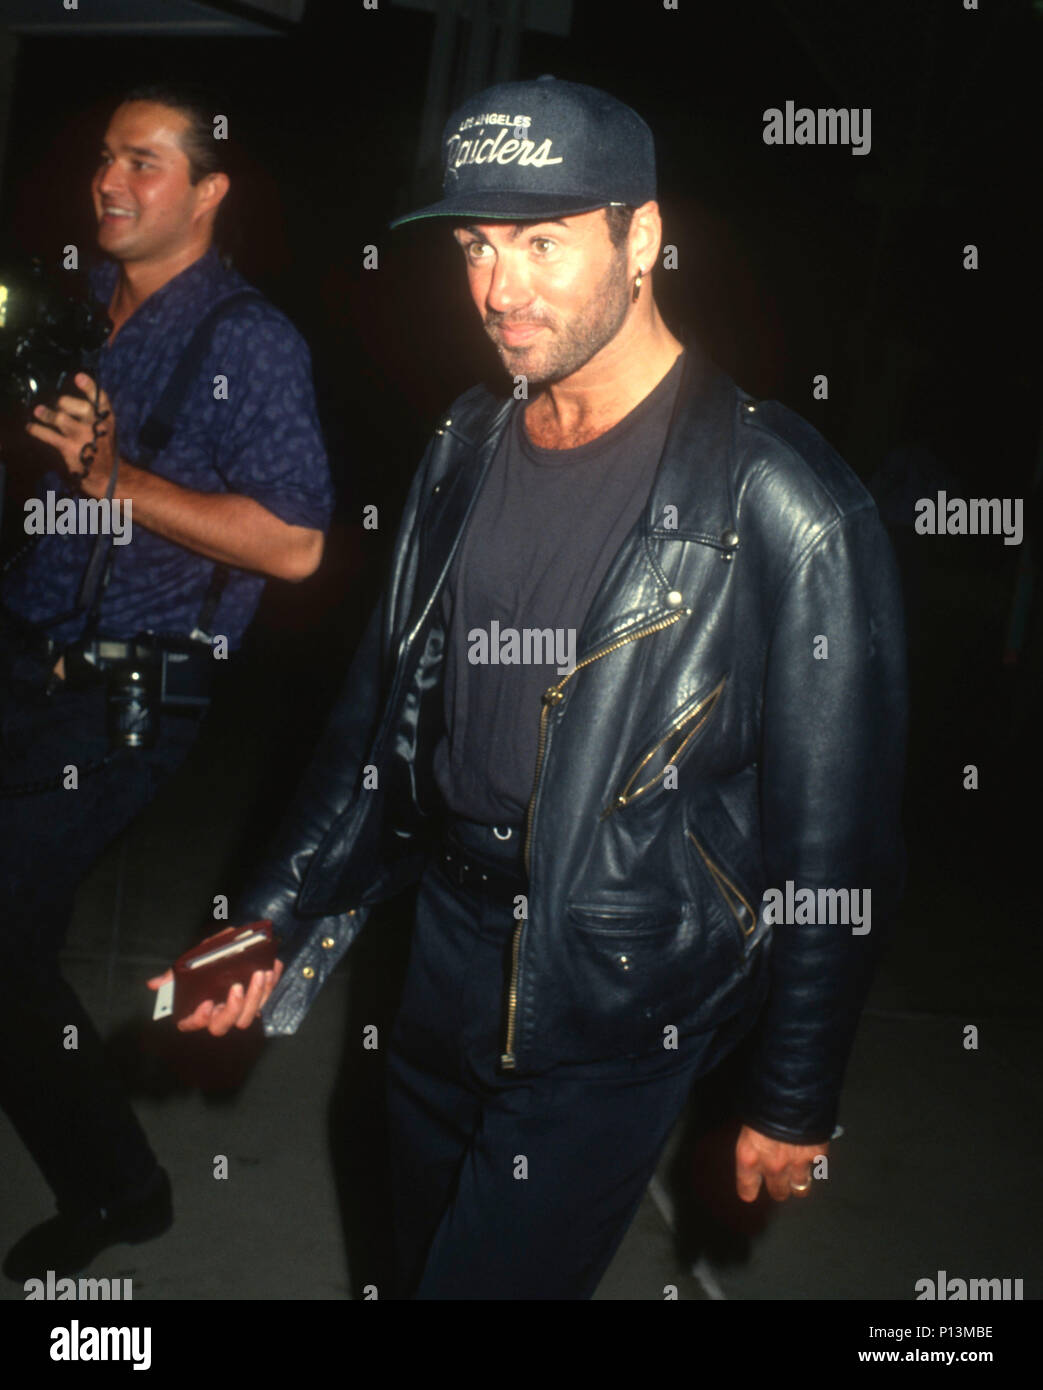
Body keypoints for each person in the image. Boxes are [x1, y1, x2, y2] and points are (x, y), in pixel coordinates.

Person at [168, 77, 907, 1300]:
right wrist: (273, 912)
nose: (498, 289)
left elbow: (838, 839)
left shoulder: (784, 506)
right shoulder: (467, 440)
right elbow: (376, 716)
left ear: (643, 238)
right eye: (475, 244)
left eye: (541, 242)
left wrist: (792, 1090)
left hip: (616, 990)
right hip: (439, 951)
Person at [0, 83, 333, 1280]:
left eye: (144, 162)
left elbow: (296, 545)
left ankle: (122, 1191)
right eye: (103, 158)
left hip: (124, 699)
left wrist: (119, 480)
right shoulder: (80, 303)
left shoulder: (250, 339)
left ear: (208, 189)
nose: (109, 181)